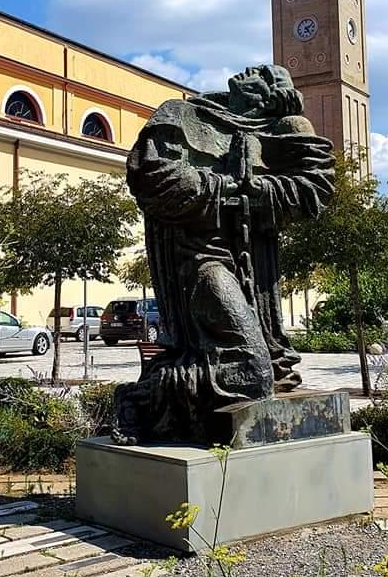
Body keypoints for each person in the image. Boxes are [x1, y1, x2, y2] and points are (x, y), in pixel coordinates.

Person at [114, 65, 334, 444]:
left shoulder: (281, 129)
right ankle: (140, 401)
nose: (252, 69)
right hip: (198, 259)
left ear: (269, 96)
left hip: (255, 266)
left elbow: (315, 190)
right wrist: (229, 186)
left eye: (264, 74)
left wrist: (258, 190)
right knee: (253, 371)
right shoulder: (179, 115)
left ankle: (152, 396)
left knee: (261, 371)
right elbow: (153, 177)